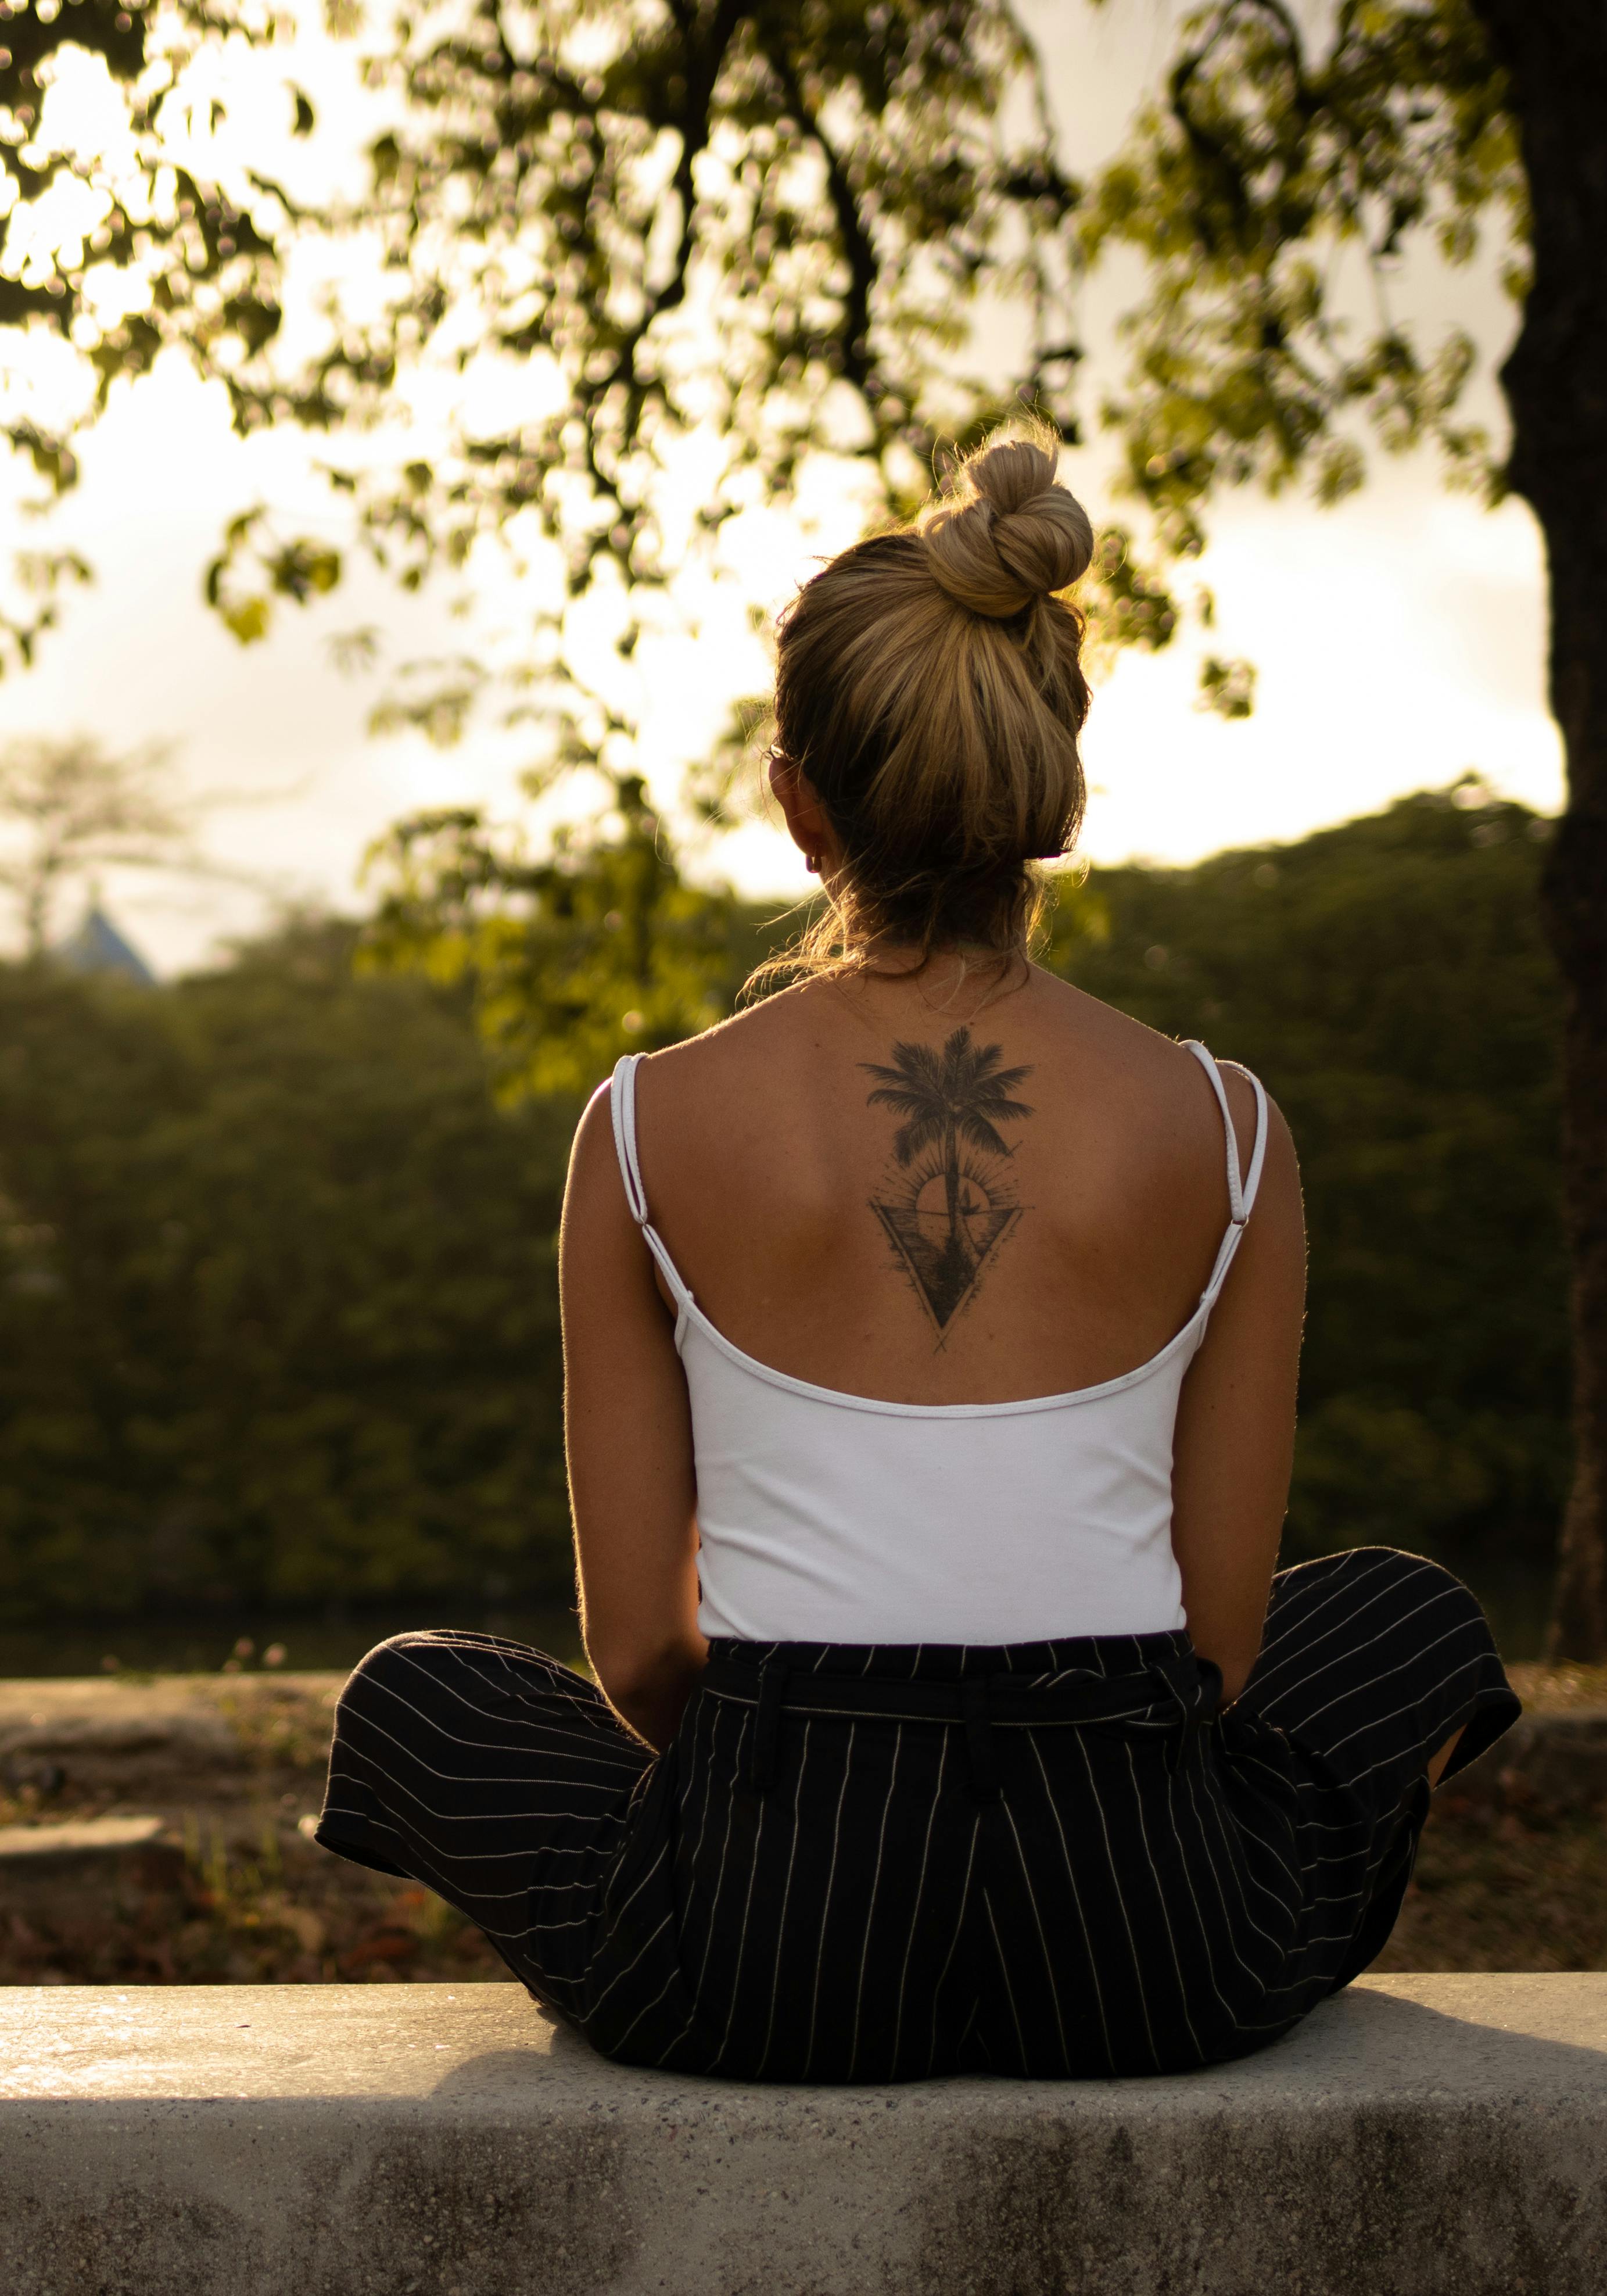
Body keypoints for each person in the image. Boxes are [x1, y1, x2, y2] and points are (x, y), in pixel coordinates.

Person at [315, 424, 1520, 2080]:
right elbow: (1222, 1658)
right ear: (1054, 783)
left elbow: (638, 1657)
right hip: (1138, 1947)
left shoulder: (643, 1126)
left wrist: (795, 1791)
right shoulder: (1227, 1126)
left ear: (795, 803)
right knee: (1398, 1619)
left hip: (769, 1955)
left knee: (418, 1700)